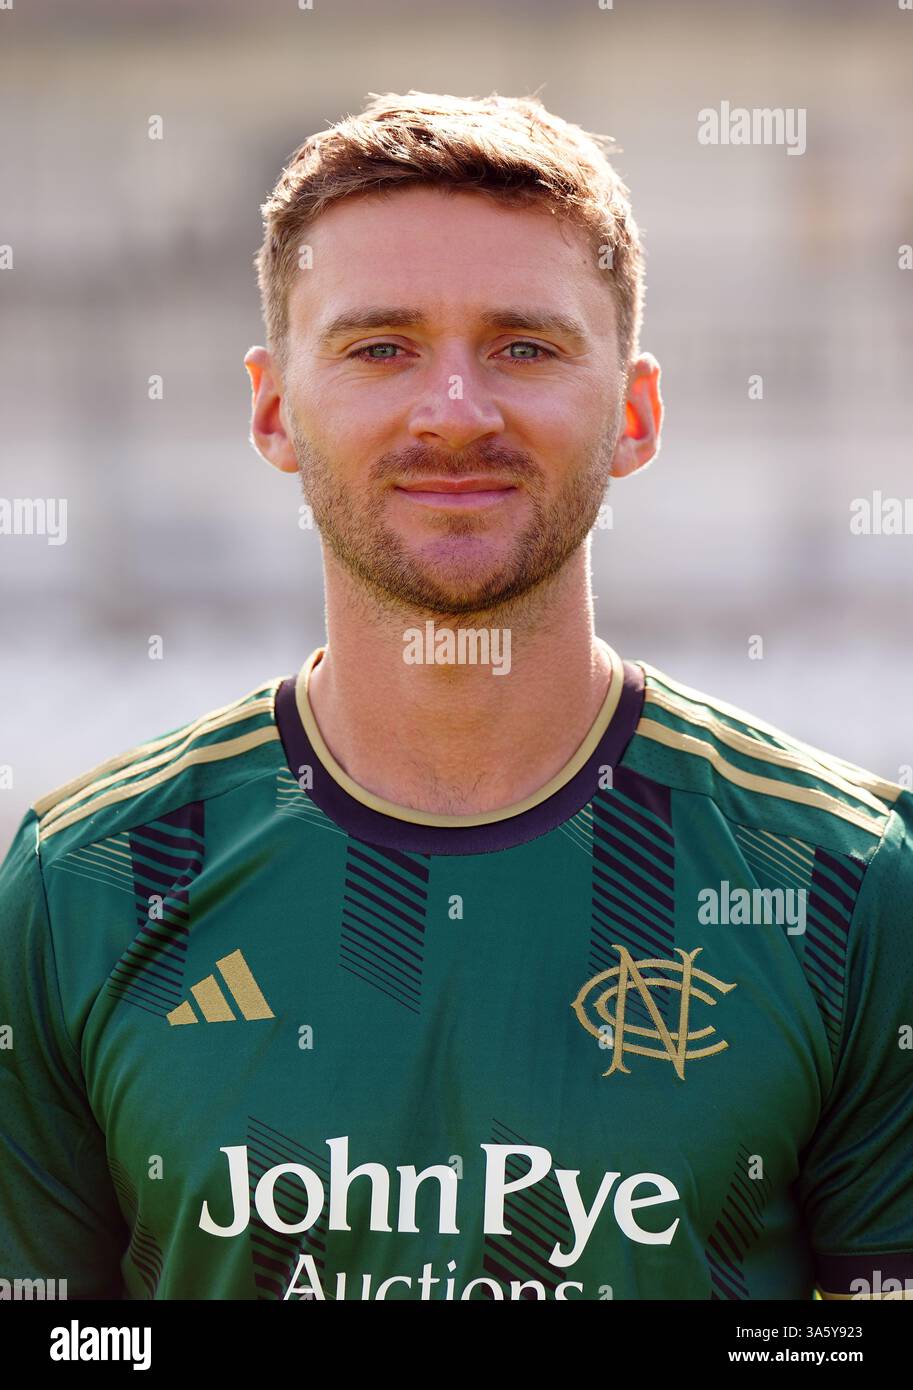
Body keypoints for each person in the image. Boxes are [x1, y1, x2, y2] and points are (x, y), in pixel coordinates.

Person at [1, 90, 910, 1302]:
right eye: (380, 347)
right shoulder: (84, 881)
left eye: (525, 347)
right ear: (273, 406)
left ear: (634, 413)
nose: (455, 412)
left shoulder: (845, 883)